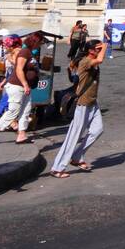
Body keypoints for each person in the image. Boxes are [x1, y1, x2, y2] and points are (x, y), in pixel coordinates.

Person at [50, 38, 106, 178]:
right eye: (97, 48)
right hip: (83, 103)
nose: (100, 50)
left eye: (100, 49)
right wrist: (105, 46)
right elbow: (99, 60)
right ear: (90, 51)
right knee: (74, 135)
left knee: (97, 130)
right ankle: (58, 167)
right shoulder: (85, 61)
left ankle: (76, 156)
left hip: (92, 102)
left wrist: (101, 47)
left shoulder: (91, 60)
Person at [0, 33, 35, 145]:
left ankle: (21, 135)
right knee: (13, 111)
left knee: (25, 110)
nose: (5, 47)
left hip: (22, 85)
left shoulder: (15, 52)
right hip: (18, 86)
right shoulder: (19, 52)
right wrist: (25, 84)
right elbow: (18, 69)